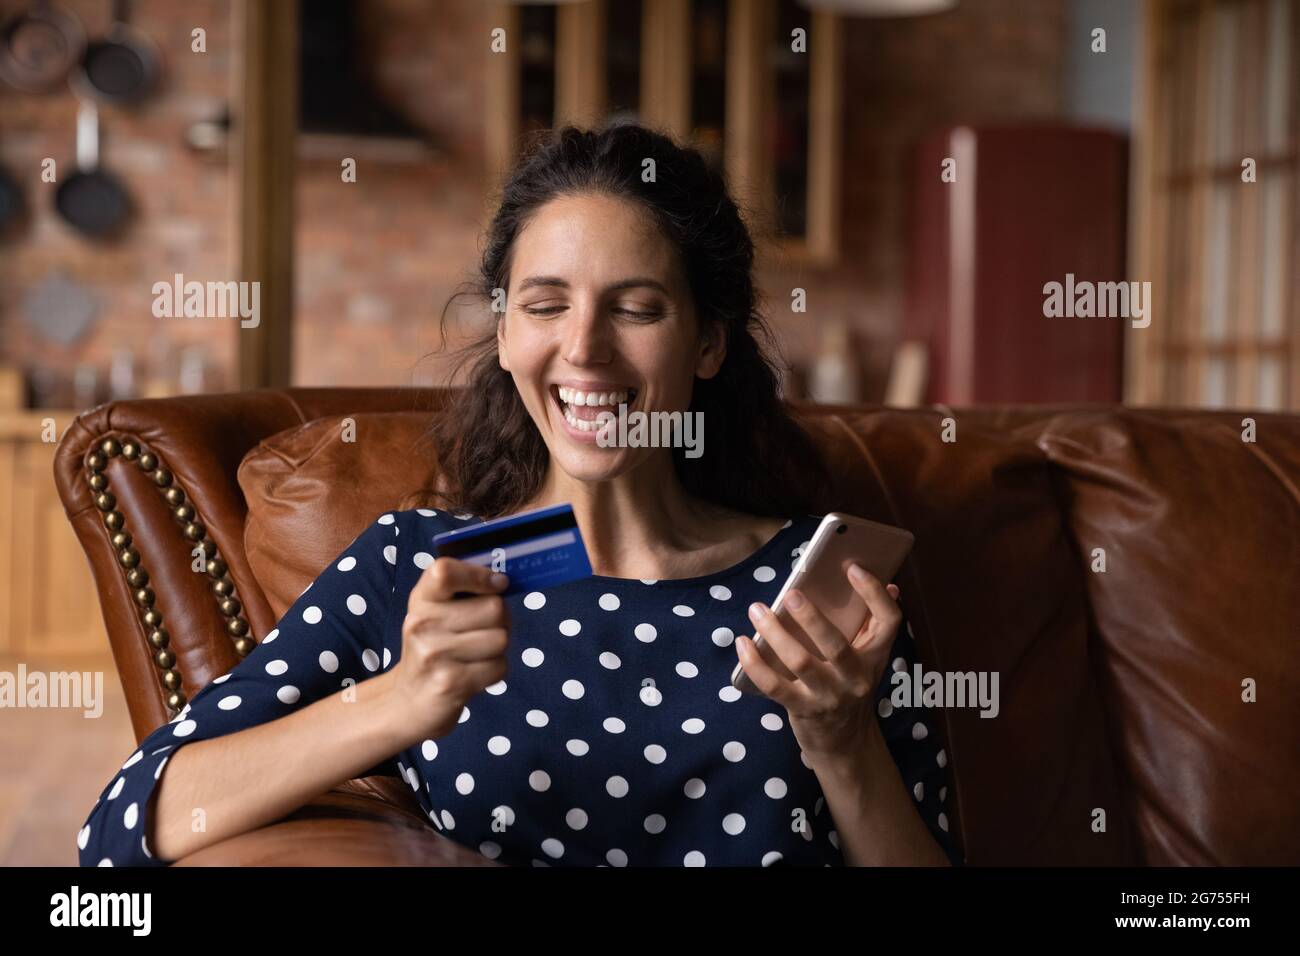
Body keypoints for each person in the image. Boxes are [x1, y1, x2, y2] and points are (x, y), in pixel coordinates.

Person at [77, 124, 959, 867]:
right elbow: (124, 827)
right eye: (545, 306)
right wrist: (400, 700)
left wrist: (844, 745)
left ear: (708, 344)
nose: (584, 349)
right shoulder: (413, 567)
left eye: (638, 308)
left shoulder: (820, 593)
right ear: (504, 335)